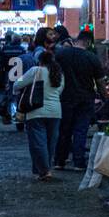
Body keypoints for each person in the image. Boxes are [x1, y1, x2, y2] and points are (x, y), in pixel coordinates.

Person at [53, 29, 106, 172]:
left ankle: (59, 160)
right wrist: (105, 98)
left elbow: (54, 73)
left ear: (77, 39)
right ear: (88, 42)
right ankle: (78, 162)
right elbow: (100, 82)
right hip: (85, 98)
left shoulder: (61, 54)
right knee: (80, 130)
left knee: (64, 130)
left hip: (65, 97)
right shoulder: (92, 58)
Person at [14, 47, 64, 181]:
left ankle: (44, 171)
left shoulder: (35, 71)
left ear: (39, 61)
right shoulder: (59, 73)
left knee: (38, 142)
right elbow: (59, 91)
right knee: (50, 142)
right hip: (55, 111)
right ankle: (45, 169)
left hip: (36, 111)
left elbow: (17, 85)